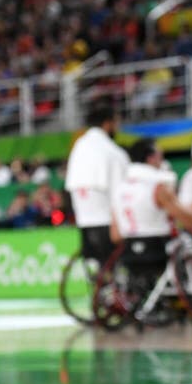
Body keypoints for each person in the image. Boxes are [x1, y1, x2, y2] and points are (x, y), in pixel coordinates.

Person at [111, 139, 192, 282]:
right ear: (151, 158)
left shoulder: (119, 189)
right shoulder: (158, 187)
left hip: (129, 252)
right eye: (161, 156)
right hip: (158, 250)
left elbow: (115, 235)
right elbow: (187, 220)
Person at [65, 103, 130, 264]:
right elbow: (122, 192)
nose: (118, 127)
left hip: (84, 225)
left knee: (99, 267)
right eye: (116, 122)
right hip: (110, 225)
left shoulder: (79, 147)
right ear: (108, 123)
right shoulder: (113, 152)